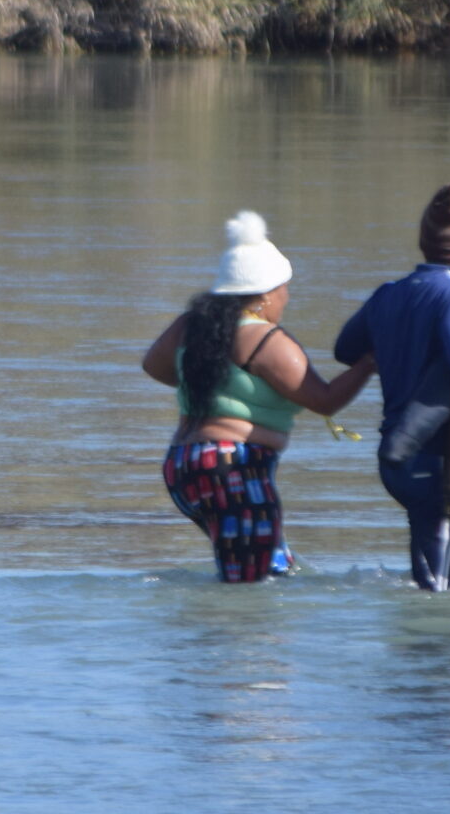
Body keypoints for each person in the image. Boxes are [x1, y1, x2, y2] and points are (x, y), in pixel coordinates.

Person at [141, 212, 374, 582]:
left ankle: (211, 636)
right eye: (285, 289)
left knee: (275, 569)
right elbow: (326, 400)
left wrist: (214, 382)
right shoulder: (268, 342)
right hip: (234, 470)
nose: (287, 297)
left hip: (184, 468)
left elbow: (154, 366)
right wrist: (368, 363)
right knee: (252, 585)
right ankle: (225, 639)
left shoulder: (191, 325)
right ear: (266, 294)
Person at [333, 183, 450, 591]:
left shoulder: (389, 294)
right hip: (434, 465)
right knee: (439, 588)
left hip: (399, 463)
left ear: (425, 240)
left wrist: (393, 347)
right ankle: (441, 644)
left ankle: (434, 643)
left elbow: (346, 348)